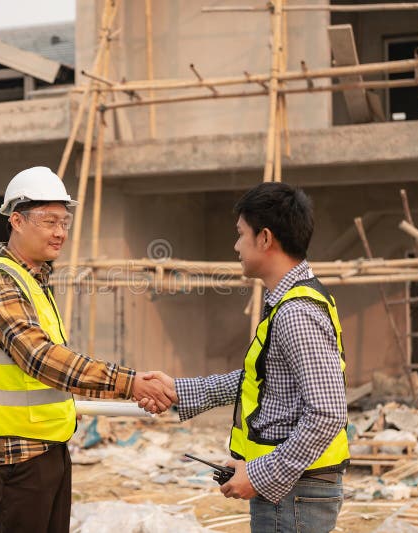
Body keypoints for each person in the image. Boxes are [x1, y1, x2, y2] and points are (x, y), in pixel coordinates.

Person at [0, 166, 176, 533]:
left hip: (46, 446)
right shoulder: (0, 282)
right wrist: (130, 382)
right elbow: (40, 358)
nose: (60, 232)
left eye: (65, 222)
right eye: (49, 221)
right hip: (15, 455)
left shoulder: (35, 281)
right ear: (17, 221)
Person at [139, 182, 349, 533]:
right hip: (294, 489)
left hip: (295, 493)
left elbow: (327, 412)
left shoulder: (296, 312)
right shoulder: (288, 303)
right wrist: (180, 390)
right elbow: (263, 381)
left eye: (240, 234)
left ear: (265, 238)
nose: (236, 246)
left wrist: (262, 475)